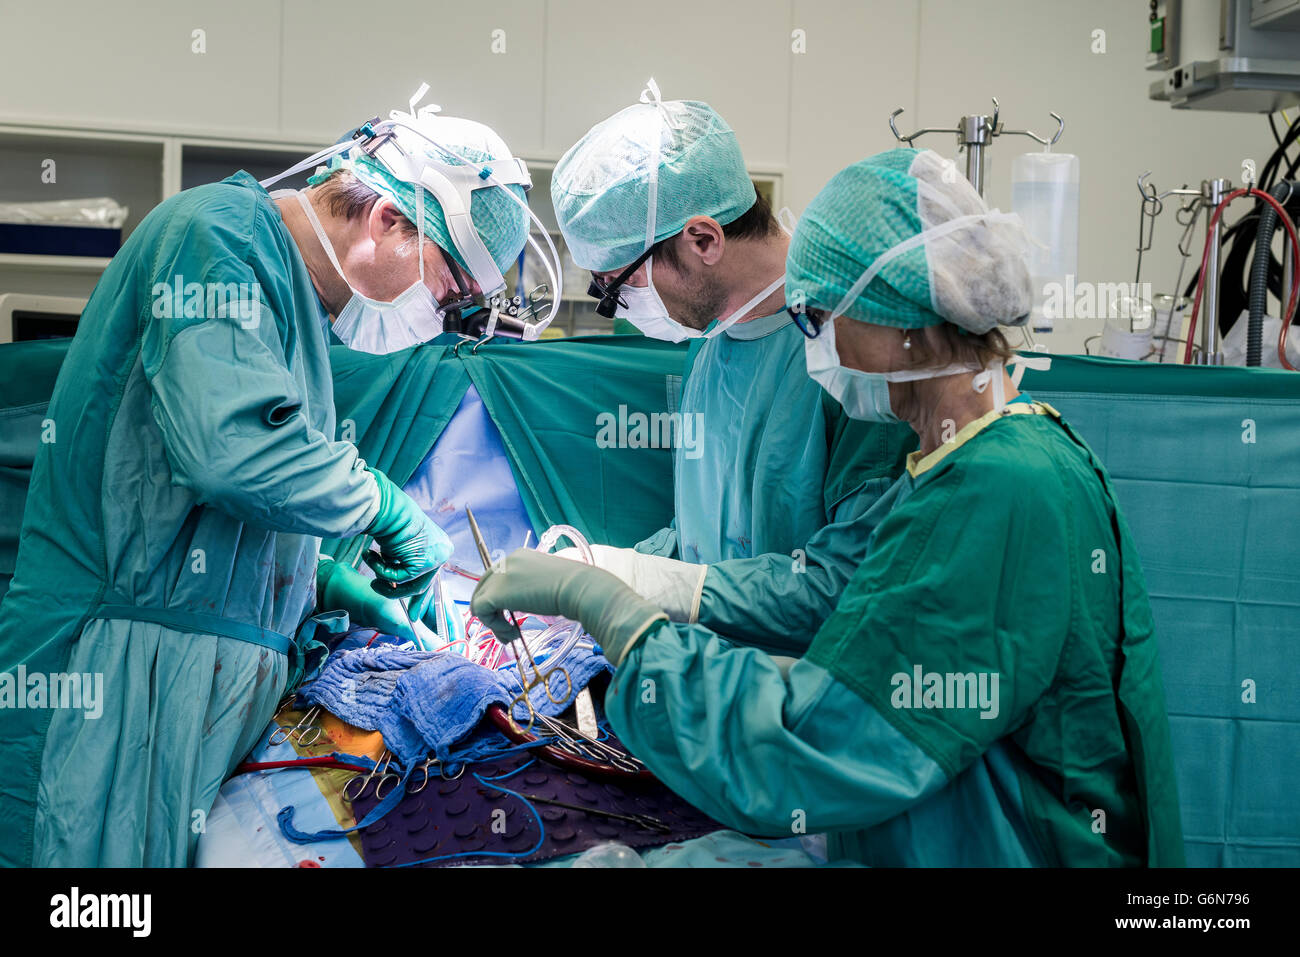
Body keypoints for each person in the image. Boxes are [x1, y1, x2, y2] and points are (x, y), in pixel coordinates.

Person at [473, 148, 1185, 866]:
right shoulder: (978, 460)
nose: (814, 345)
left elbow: (820, 741)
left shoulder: (1001, 489)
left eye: (819, 316)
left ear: (895, 315)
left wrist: (622, 617)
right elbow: (870, 687)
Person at [0, 97, 536, 867]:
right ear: (386, 219)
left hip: (174, 685)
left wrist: (317, 583)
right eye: (445, 294)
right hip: (101, 680)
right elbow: (229, 451)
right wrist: (386, 507)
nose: (438, 318)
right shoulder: (212, 239)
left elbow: (196, 520)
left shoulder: (298, 308)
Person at [547, 81, 913, 654]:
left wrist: (644, 583)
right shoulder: (713, 342)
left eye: (619, 283)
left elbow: (851, 583)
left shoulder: (854, 351)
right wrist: (605, 571)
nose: (617, 306)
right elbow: (705, 546)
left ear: (702, 239)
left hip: (803, 708)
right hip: (720, 690)